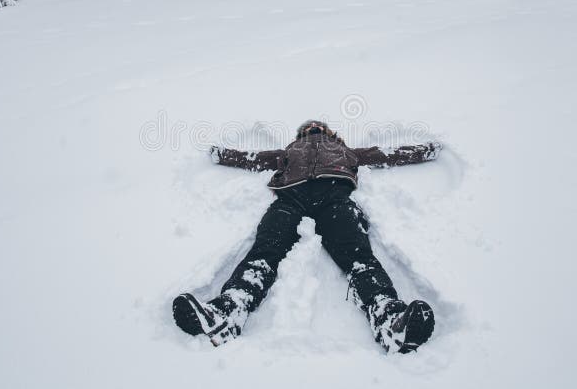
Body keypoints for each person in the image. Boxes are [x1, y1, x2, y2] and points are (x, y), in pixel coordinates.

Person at [172, 120, 442, 354]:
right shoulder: (289, 151)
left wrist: (424, 151)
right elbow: (253, 158)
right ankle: (226, 312)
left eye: (319, 128)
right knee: (264, 252)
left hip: (334, 196)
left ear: (329, 133)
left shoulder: (343, 150)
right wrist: (223, 155)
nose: (314, 129)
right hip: (291, 198)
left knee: (358, 257)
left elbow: (383, 154)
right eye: (309, 128)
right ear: (301, 134)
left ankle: (389, 318)